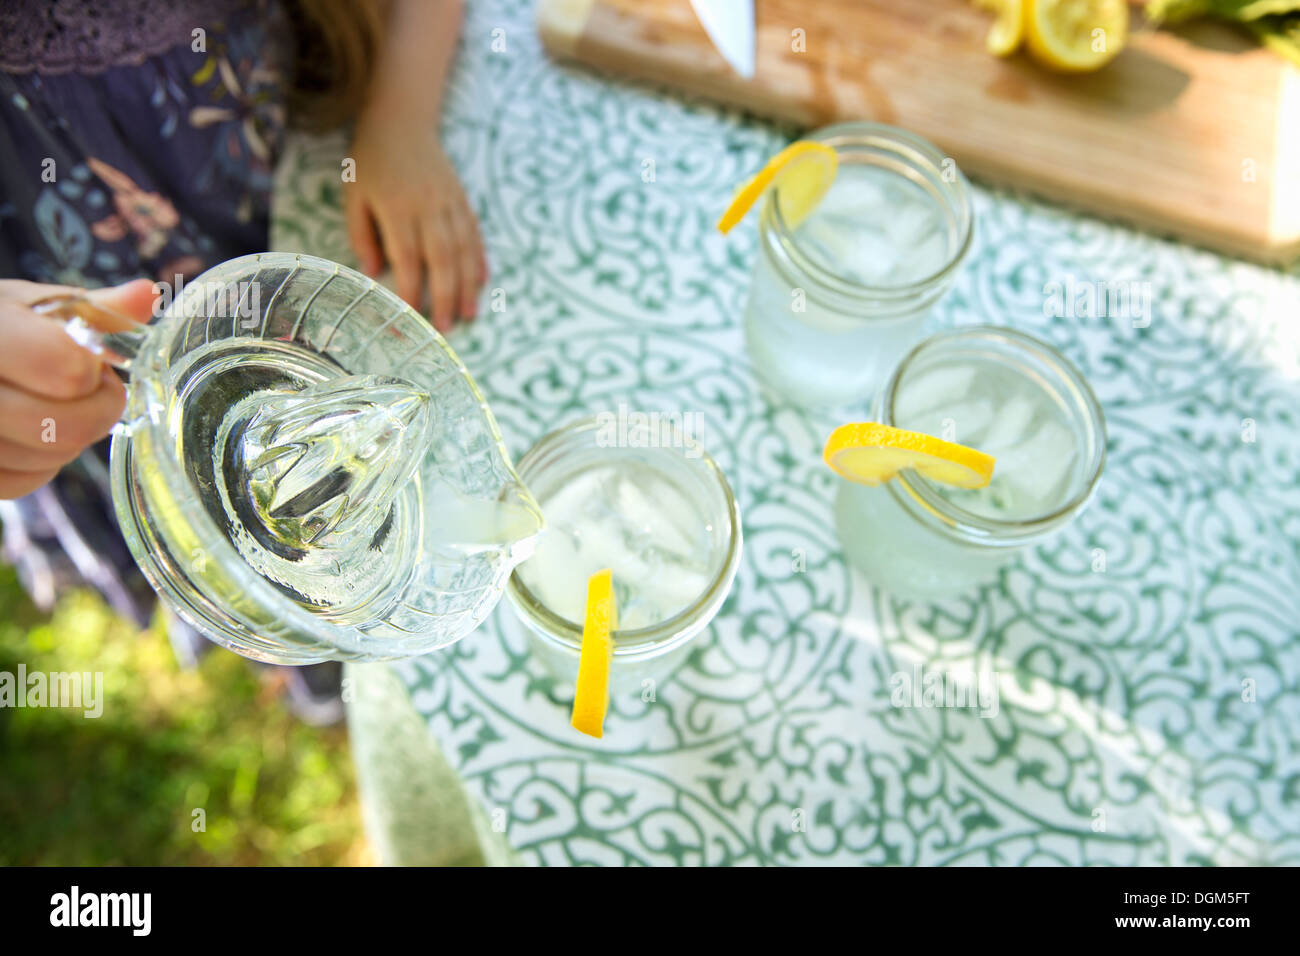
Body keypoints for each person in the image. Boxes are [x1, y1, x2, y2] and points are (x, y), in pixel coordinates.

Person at [0, 0, 485, 722]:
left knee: (302, 527)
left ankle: (312, 650)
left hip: (272, 161)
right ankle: (284, 645)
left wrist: (399, 118)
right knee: (196, 516)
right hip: (44, 242)